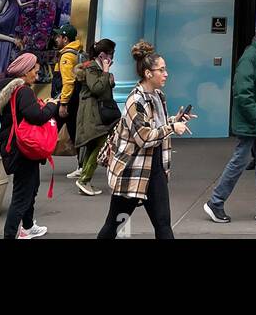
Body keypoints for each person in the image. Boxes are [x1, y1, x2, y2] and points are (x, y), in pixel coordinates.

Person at [97, 41, 191, 239]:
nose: (166, 74)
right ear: (148, 73)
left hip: (154, 169)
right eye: (162, 70)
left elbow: (156, 125)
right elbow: (144, 137)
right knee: (113, 224)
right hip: (133, 171)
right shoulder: (135, 101)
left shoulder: (157, 96)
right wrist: (172, 127)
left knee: (163, 225)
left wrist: (175, 119)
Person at [204, 19, 256, 224]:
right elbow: (243, 94)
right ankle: (216, 202)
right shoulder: (251, 57)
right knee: (241, 161)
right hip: (254, 123)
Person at [0, 51, 59, 239]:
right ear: (25, 71)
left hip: (17, 146)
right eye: (35, 70)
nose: (37, 73)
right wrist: (51, 105)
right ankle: (10, 234)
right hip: (22, 149)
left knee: (31, 187)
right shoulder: (23, 91)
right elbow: (37, 116)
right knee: (22, 195)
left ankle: (27, 226)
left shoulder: (10, 90)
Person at [73, 38, 119, 196]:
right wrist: (106, 73)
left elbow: (104, 87)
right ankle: (84, 179)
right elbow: (97, 88)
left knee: (94, 144)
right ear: (102, 55)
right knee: (100, 143)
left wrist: (108, 77)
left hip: (97, 112)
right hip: (91, 113)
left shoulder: (97, 68)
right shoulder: (91, 68)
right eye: (110, 54)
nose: (112, 57)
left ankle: (85, 179)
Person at [51, 24, 84, 168]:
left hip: (66, 101)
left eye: (58, 36)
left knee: (51, 129)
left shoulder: (66, 56)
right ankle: (82, 165)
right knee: (74, 131)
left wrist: (63, 103)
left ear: (65, 38)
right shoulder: (76, 53)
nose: (56, 39)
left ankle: (38, 154)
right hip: (74, 99)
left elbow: (68, 82)